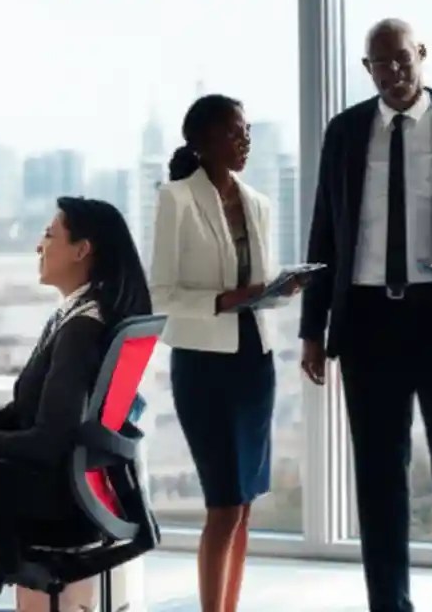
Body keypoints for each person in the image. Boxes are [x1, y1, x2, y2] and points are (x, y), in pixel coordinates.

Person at [300, 19, 432, 612]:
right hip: (368, 321)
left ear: (421, 53)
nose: (392, 73)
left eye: (401, 59)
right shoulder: (345, 132)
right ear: (366, 69)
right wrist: (313, 328)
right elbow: (325, 231)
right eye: (379, 64)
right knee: (378, 478)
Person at [149, 94, 303, 612]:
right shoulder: (175, 199)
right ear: (203, 140)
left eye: (248, 131)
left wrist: (278, 289)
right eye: (234, 132)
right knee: (223, 504)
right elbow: (161, 295)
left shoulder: (259, 202)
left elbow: (258, 285)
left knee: (244, 504)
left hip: (254, 362)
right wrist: (226, 300)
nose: (245, 141)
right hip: (203, 365)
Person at [0, 196, 152, 540]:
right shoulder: (84, 314)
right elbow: (26, 415)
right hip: (71, 489)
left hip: (52, 497)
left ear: (81, 250)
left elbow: (51, 440)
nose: (38, 246)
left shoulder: (81, 329)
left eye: (49, 235)